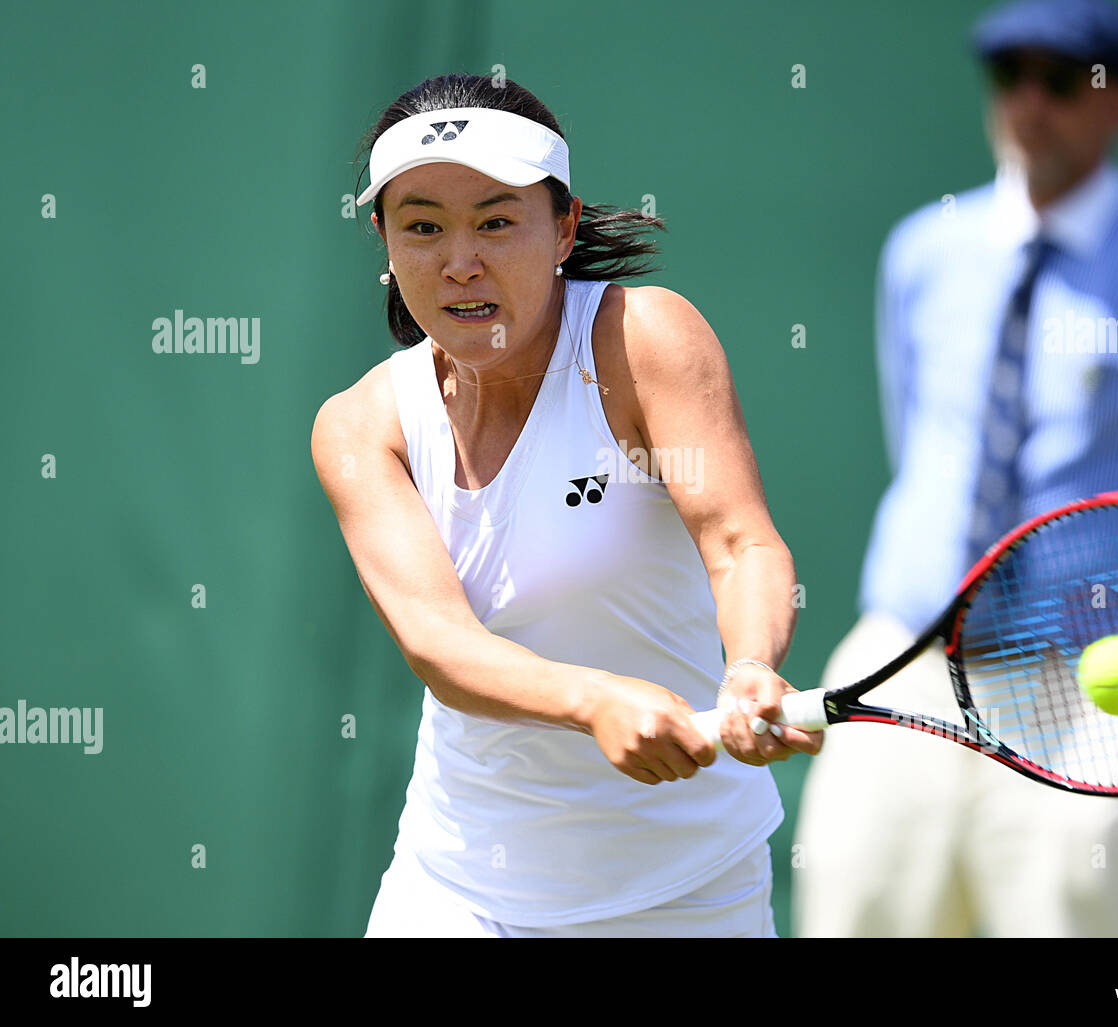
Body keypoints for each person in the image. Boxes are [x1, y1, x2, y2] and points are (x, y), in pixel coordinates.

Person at [794, 0, 1118, 938]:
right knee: (857, 906)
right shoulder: (922, 253)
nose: (1031, 103)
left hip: (1098, 680)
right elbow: (917, 437)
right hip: (911, 655)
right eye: (1012, 77)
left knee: (1078, 917)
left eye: (1063, 80)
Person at [311, 73, 823, 938]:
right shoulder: (361, 427)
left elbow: (740, 542)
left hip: (687, 891)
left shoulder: (644, 339)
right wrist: (594, 700)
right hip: (456, 888)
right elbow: (440, 644)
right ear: (385, 240)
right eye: (424, 225)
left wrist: (748, 665)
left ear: (564, 227)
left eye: (497, 220)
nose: (460, 261)